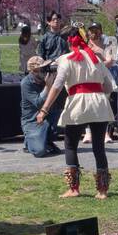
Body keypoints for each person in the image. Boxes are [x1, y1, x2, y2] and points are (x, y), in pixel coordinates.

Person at [38, 26, 116, 198]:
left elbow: (57, 86)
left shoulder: (66, 59)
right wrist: (100, 97)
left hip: (78, 103)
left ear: (67, 41)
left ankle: (74, 188)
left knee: (71, 144)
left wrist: (44, 109)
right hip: (99, 102)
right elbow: (109, 85)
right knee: (98, 147)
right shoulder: (95, 58)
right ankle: (102, 190)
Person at [36, 11, 69, 144]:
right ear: (49, 22)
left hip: (65, 71)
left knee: (64, 102)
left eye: (58, 19)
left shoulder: (65, 37)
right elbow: (40, 57)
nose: (56, 21)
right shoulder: (45, 38)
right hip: (50, 72)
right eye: (54, 19)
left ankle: (64, 129)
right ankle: (51, 132)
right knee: (52, 102)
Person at [20, 56, 61, 156]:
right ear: (34, 71)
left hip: (48, 116)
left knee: (62, 115)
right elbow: (38, 103)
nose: (45, 71)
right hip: (32, 120)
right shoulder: (26, 83)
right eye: (42, 69)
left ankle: (46, 140)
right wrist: (47, 86)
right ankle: (29, 141)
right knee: (39, 151)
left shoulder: (48, 77)